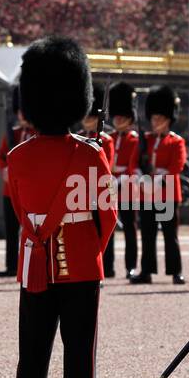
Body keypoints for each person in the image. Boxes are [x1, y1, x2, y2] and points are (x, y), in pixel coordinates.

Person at [6, 37, 119, 378]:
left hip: (35, 265)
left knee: (31, 354)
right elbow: (107, 215)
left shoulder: (17, 156)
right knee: (80, 355)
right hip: (80, 267)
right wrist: (91, 251)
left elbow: (19, 210)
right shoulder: (91, 156)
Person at [129, 85, 186, 285]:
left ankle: (175, 271)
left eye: (160, 119)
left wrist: (157, 179)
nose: (155, 122)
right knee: (147, 235)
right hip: (146, 195)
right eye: (153, 119)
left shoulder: (176, 142)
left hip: (167, 195)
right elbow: (133, 163)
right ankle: (146, 271)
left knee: (170, 236)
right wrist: (141, 177)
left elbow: (176, 166)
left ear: (168, 119)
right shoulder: (146, 140)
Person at [78, 83, 116, 277]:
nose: (87, 120)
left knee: (105, 227)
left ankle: (107, 266)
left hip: (100, 189)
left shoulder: (106, 141)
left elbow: (106, 166)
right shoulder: (79, 139)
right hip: (83, 191)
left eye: (90, 117)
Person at [0, 84, 34, 277]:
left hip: (30, 191)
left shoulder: (37, 134)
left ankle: (30, 265)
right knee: (11, 230)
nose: (22, 116)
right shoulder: (14, 133)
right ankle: (12, 265)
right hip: (9, 189)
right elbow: (2, 156)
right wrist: (5, 170)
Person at [108, 82, 143, 279]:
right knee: (108, 227)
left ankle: (131, 266)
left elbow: (133, 164)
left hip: (127, 188)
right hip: (109, 186)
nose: (117, 119)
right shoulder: (109, 137)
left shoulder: (134, 139)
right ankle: (108, 265)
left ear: (129, 118)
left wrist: (119, 180)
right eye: (116, 116)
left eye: (122, 116)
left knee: (130, 228)